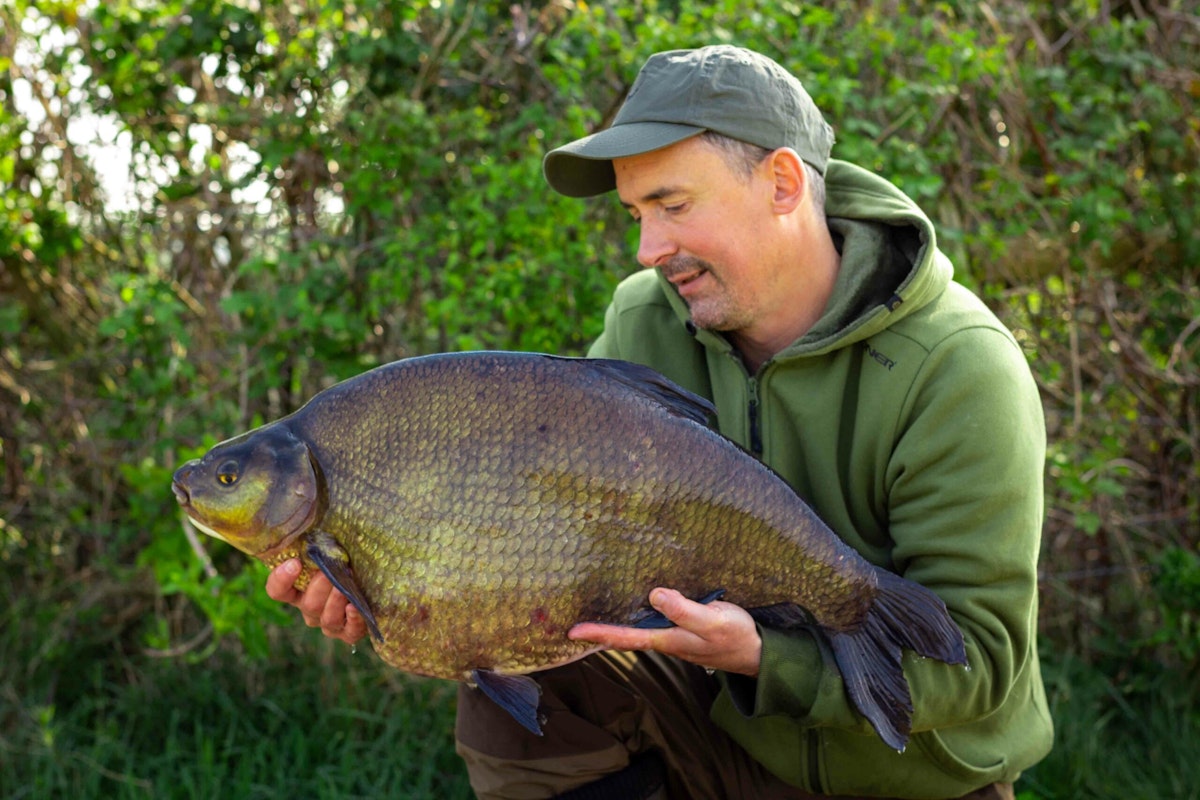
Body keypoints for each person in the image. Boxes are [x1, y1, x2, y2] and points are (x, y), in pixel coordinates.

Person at [266, 45, 1053, 799]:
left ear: (782, 183)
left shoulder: (957, 365)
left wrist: (762, 656)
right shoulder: (645, 318)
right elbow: (557, 528)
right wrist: (395, 586)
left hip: (914, 776)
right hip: (729, 740)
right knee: (507, 665)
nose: (648, 249)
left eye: (672, 206)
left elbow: (977, 662)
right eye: (637, 213)